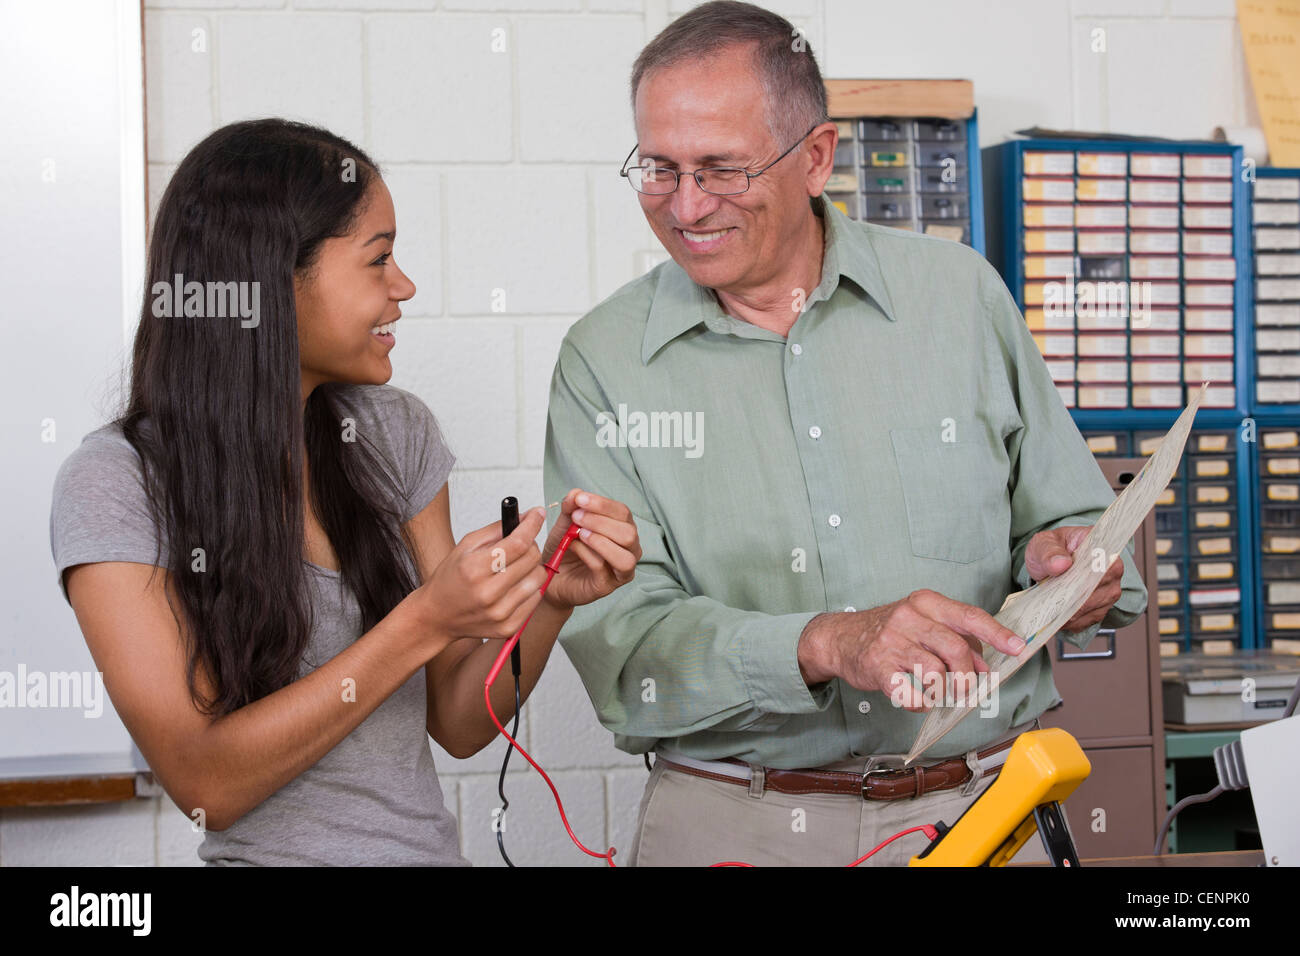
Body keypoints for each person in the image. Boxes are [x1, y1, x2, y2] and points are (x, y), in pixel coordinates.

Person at [542, 1, 1147, 866]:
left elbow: (1080, 542)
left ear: (816, 157)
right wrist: (826, 642)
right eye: (658, 168)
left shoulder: (959, 299)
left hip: (987, 808)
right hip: (736, 827)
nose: (684, 204)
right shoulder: (603, 362)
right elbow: (623, 648)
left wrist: (1071, 567)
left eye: (719, 168)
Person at [49, 118, 640, 866]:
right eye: (379, 259)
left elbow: (457, 723)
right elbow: (205, 781)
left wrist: (549, 594)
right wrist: (426, 619)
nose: (405, 286)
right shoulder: (115, 484)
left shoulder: (394, 435)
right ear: (271, 279)